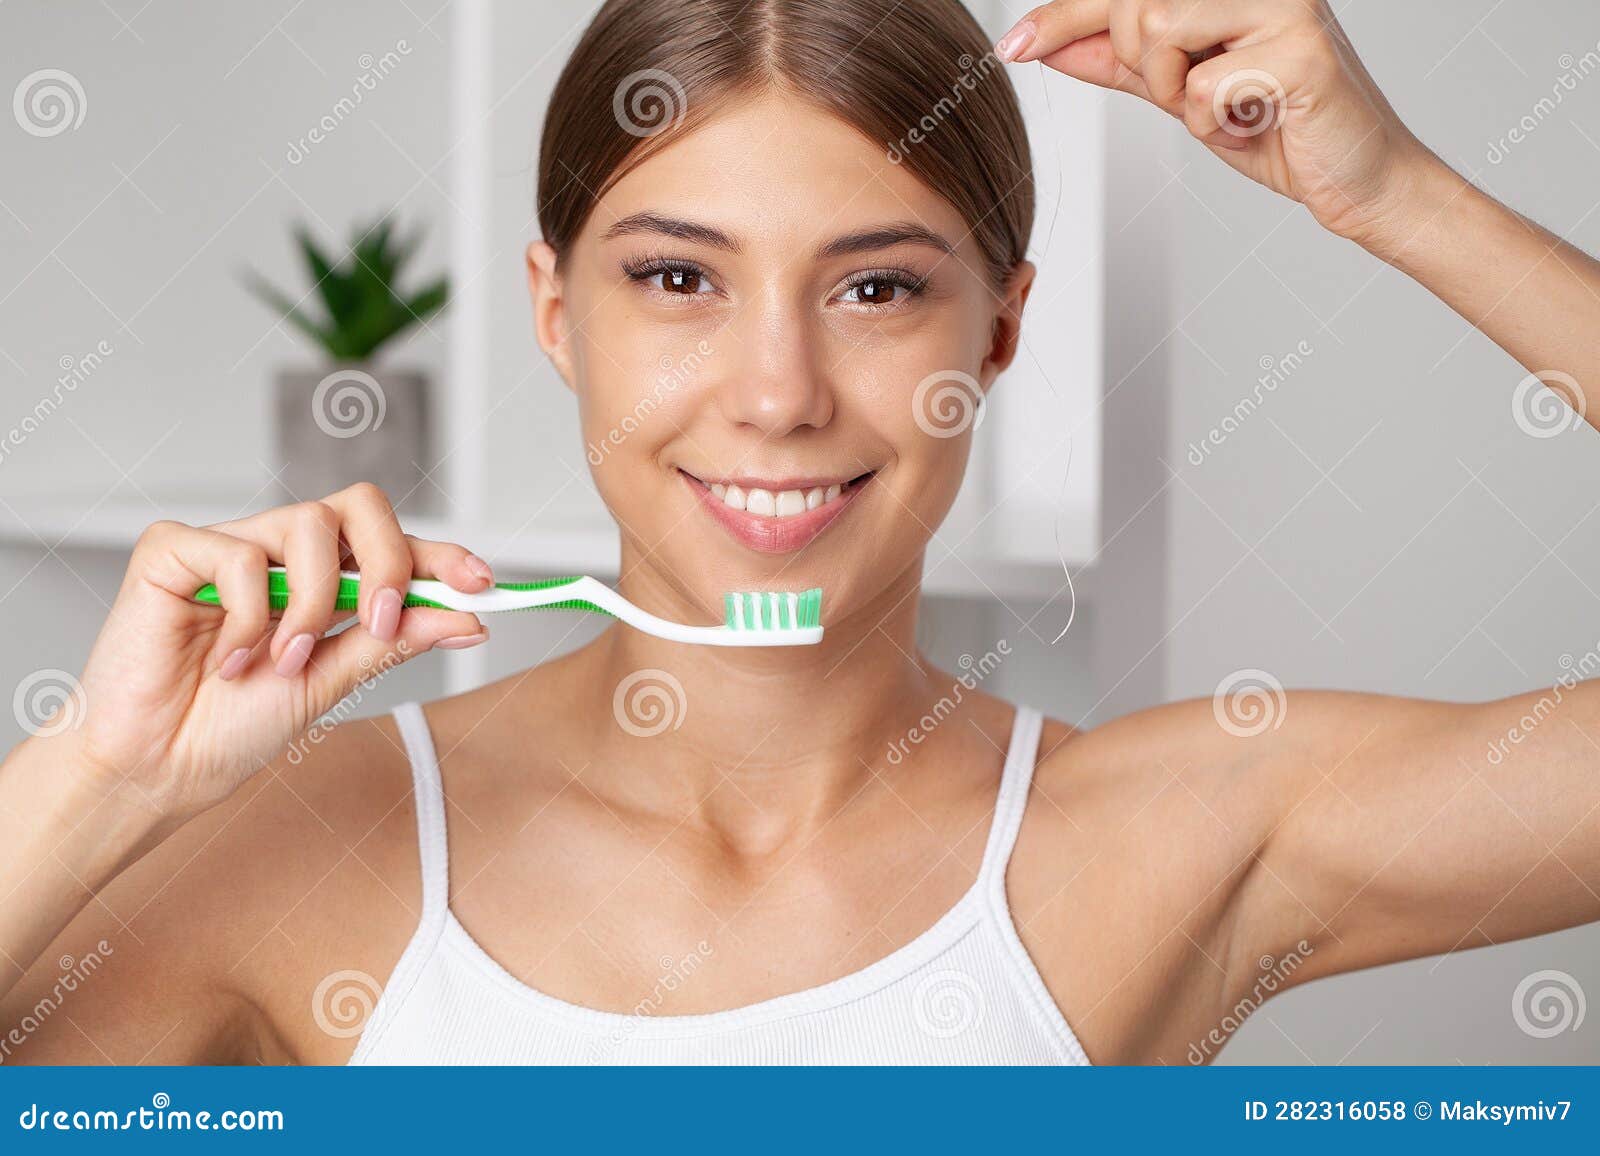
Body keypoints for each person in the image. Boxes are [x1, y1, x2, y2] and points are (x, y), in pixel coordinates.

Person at [3, 0, 1597, 1064]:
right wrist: (96, 780)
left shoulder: (1197, 828)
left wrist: (1396, 194)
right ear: (559, 313)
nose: (777, 394)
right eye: (679, 278)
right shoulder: (293, 848)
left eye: (879, 288)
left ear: (1000, 335)